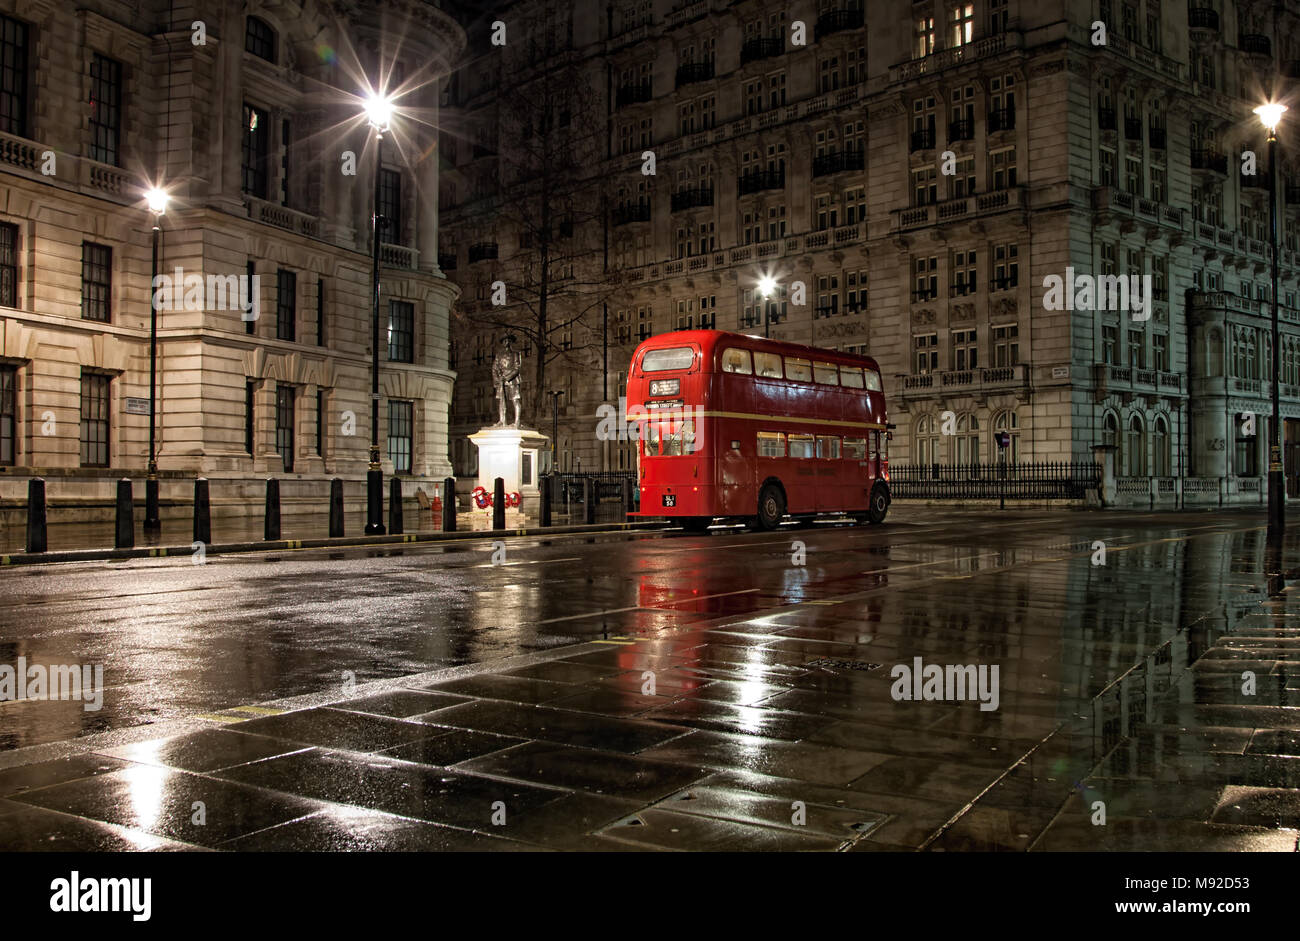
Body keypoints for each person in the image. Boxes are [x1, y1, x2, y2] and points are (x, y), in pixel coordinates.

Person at [492, 335, 523, 427]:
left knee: (515, 400)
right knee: (501, 401)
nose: (506, 342)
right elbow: (494, 368)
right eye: (504, 340)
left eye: (508, 340)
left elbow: (517, 368)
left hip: (512, 380)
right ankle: (502, 420)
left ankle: (517, 421)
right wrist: (497, 379)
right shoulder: (499, 355)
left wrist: (508, 377)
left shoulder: (515, 354)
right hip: (501, 381)